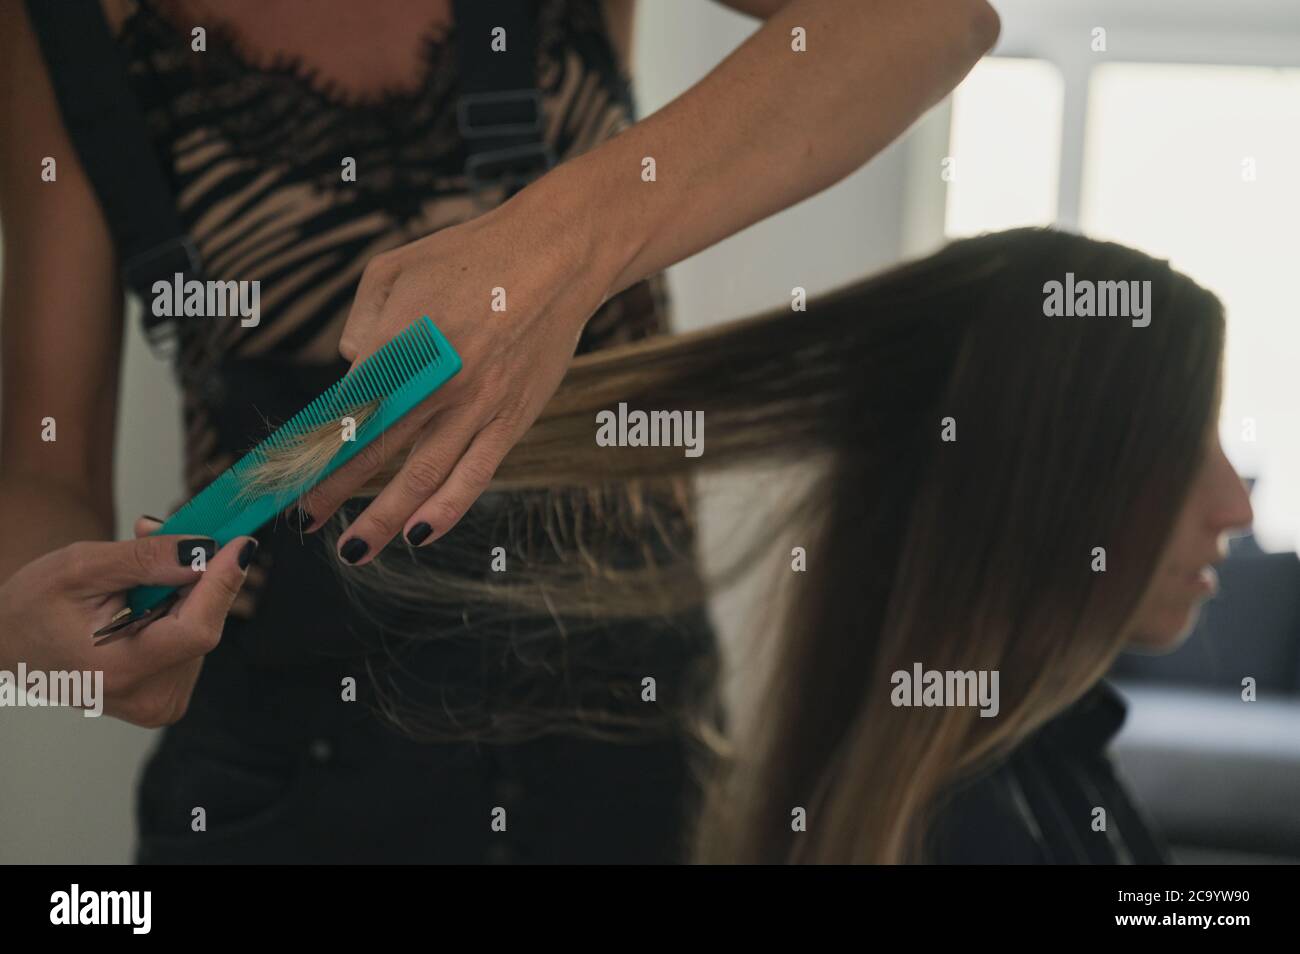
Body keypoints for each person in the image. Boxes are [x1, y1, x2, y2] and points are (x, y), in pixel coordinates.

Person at [0, 0, 1000, 863]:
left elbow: (929, 18)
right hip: (285, 771)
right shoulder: (64, 27)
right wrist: (45, 617)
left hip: (627, 730)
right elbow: (46, 463)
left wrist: (560, 245)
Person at [314, 227, 1254, 863]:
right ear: (1051, 482)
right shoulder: (985, 830)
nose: (1235, 507)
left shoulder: (1034, 771)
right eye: (1188, 445)